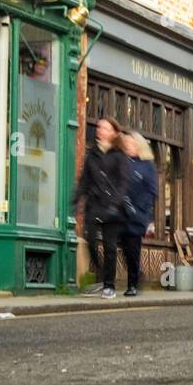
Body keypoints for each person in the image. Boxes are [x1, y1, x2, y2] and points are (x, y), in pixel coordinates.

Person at [71, 116, 129, 298]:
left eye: (104, 128)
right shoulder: (92, 154)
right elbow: (84, 181)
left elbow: (123, 183)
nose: (99, 130)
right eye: (99, 127)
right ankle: (102, 272)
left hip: (112, 207)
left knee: (110, 247)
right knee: (91, 242)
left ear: (113, 133)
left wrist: (116, 203)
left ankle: (109, 285)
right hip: (94, 205)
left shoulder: (119, 155)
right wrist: (76, 200)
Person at [119, 130, 158, 297]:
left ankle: (132, 285)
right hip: (121, 212)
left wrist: (140, 209)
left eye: (130, 143)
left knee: (133, 249)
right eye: (125, 143)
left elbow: (152, 191)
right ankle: (137, 271)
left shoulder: (147, 165)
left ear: (138, 145)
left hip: (137, 214)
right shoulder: (122, 162)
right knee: (125, 248)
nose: (127, 146)